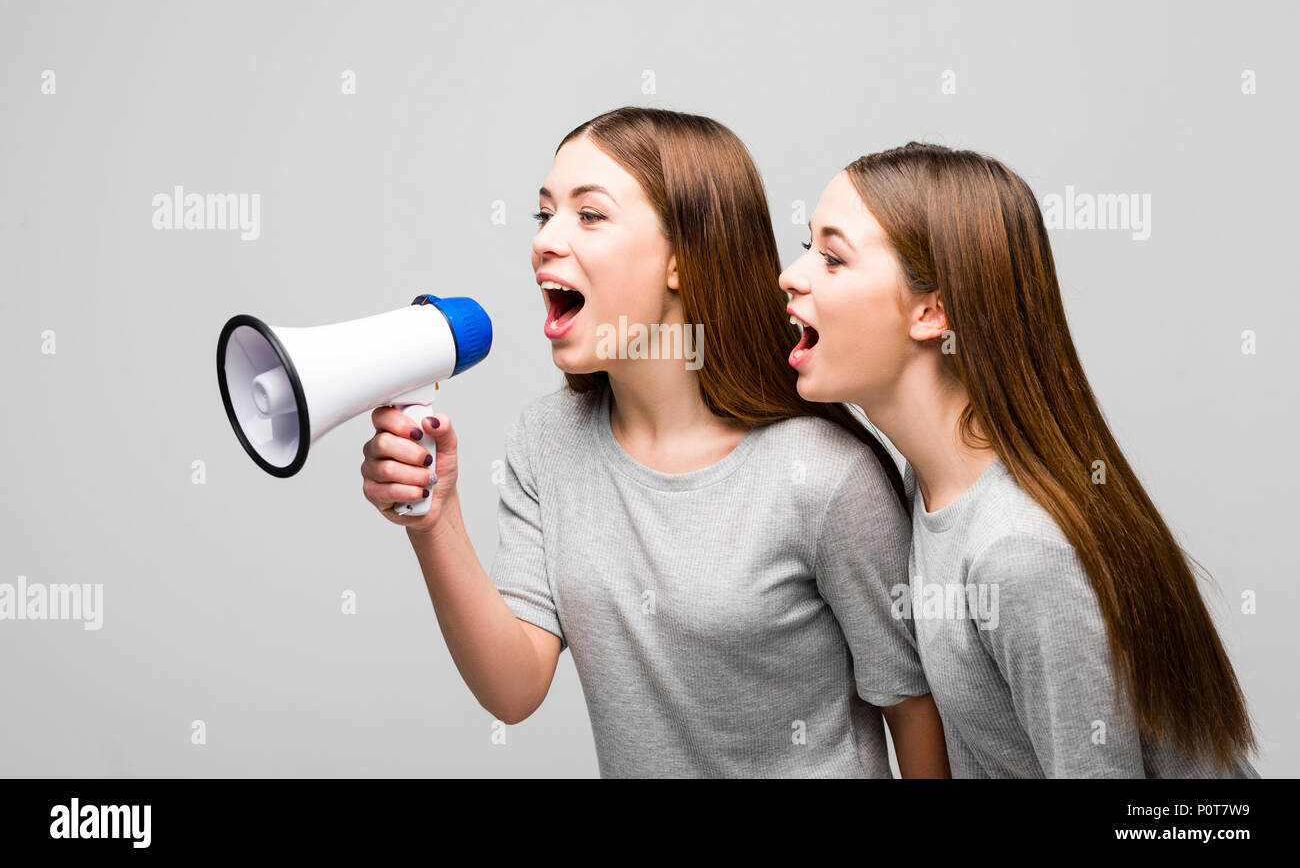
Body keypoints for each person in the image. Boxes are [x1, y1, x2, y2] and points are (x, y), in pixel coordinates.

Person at [360, 108, 949, 777]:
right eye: (544, 213)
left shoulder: (822, 475)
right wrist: (434, 518)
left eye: (589, 215)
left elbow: (914, 709)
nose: (546, 240)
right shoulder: (545, 441)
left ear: (680, 258)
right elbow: (514, 687)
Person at [778, 141, 1260, 777]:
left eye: (834, 258)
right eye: (809, 244)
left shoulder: (1019, 552)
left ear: (933, 312)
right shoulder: (924, 484)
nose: (793, 273)